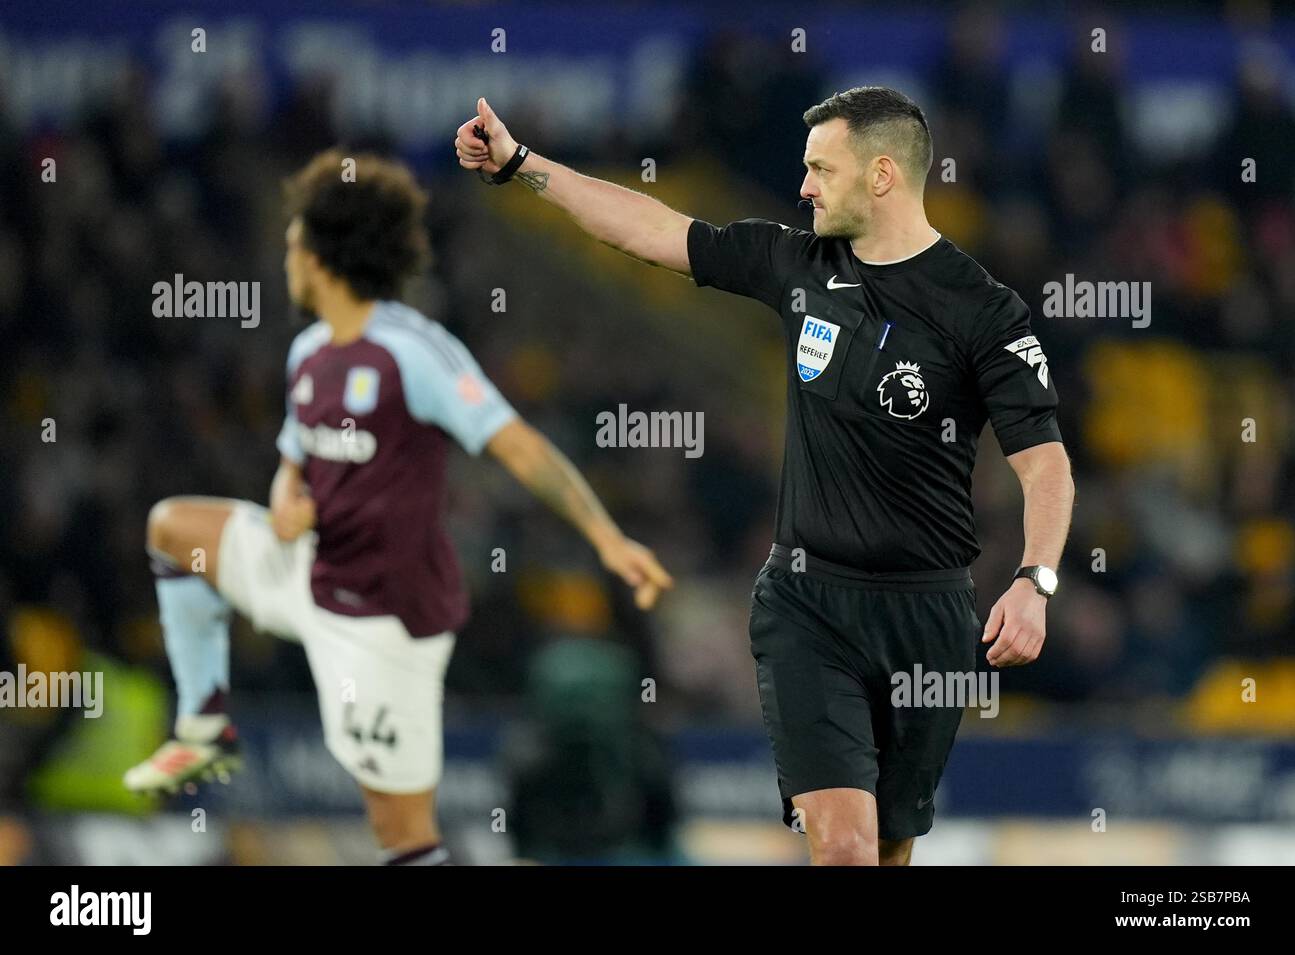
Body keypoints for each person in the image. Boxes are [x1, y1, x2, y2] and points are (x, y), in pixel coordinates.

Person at [454, 87, 1074, 865]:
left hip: (928, 616)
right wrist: (520, 165)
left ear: (882, 174)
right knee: (843, 847)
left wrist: (1035, 579)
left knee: (886, 847)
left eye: (821, 168)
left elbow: (1044, 461)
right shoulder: (798, 266)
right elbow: (652, 229)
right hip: (808, 606)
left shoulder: (985, 311)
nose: (805, 185)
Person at [124, 150, 673, 866]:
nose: (286, 256)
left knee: (405, 840)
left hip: (382, 624)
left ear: (322, 254)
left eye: (294, 242)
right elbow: (292, 470)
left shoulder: (413, 351)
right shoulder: (308, 354)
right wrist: (286, 504)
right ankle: (204, 729)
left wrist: (605, 536)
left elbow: (520, 448)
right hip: (305, 570)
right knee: (172, 528)